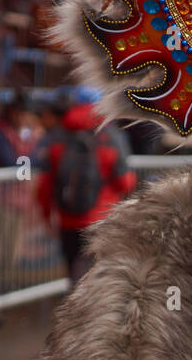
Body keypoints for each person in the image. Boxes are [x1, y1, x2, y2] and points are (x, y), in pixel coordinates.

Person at [37, 90, 135, 281]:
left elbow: (45, 185)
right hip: (103, 219)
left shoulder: (58, 135)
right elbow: (126, 181)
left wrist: (47, 216)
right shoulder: (111, 135)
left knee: (75, 279)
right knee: (101, 280)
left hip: (67, 221)